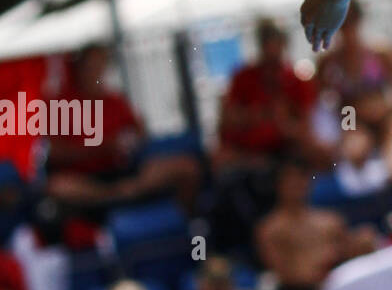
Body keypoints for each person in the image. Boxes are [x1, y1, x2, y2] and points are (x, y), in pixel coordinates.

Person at [43, 44, 203, 212]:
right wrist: (99, 149)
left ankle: (190, 225)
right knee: (58, 187)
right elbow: (54, 153)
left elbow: (140, 133)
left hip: (125, 172)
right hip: (85, 178)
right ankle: (112, 195)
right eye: (90, 66)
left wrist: (131, 141)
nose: (95, 72)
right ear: (79, 68)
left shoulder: (115, 101)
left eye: (100, 65)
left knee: (187, 168)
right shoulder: (60, 104)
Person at [316, 0, 392, 188]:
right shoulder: (328, 61)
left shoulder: (380, 51)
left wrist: (384, 107)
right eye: (341, 22)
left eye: (350, 21)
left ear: (359, 20)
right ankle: (364, 189)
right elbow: (319, 103)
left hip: (386, 112)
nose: (346, 28)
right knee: (354, 150)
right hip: (351, 116)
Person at [254, 158, 377, 290]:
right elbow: (281, 273)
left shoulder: (330, 221)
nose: (295, 184)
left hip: (338, 287)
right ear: (278, 185)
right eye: (289, 180)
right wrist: (321, 265)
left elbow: (349, 253)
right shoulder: (270, 228)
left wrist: (361, 243)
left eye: (300, 178)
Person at [216, 19, 325, 168]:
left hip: (285, 152)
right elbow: (228, 120)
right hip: (246, 153)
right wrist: (255, 115)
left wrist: (283, 124)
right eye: (267, 41)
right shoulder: (242, 77)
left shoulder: (298, 81)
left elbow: (306, 129)